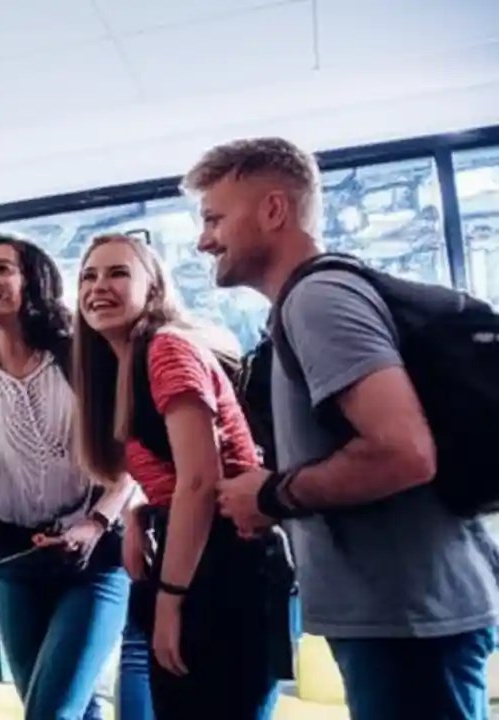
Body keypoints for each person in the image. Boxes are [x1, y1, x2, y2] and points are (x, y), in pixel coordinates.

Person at [189, 137, 499, 720]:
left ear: (274, 210)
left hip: (408, 620)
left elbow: (404, 453)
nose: (205, 240)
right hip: (396, 618)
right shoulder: (304, 305)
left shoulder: (318, 300)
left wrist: (271, 495)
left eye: (215, 219)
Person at [75, 233, 290, 719]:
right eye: (88, 276)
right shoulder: (125, 366)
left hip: (223, 566)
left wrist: (170, 602)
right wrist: (140, 509)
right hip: (197, 555)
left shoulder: (166, 349)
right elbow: (177, 476)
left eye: (117, 273)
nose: (97, 287)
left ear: (152, 289)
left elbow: (200, 480)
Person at [0, 233, 139, 720]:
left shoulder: (83, 360)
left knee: (51, 712)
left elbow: (133, 459)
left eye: (2, 269)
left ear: (34, 283)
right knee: (72, 706)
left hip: (94, 557)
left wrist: (94, 523)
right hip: (13, 563)